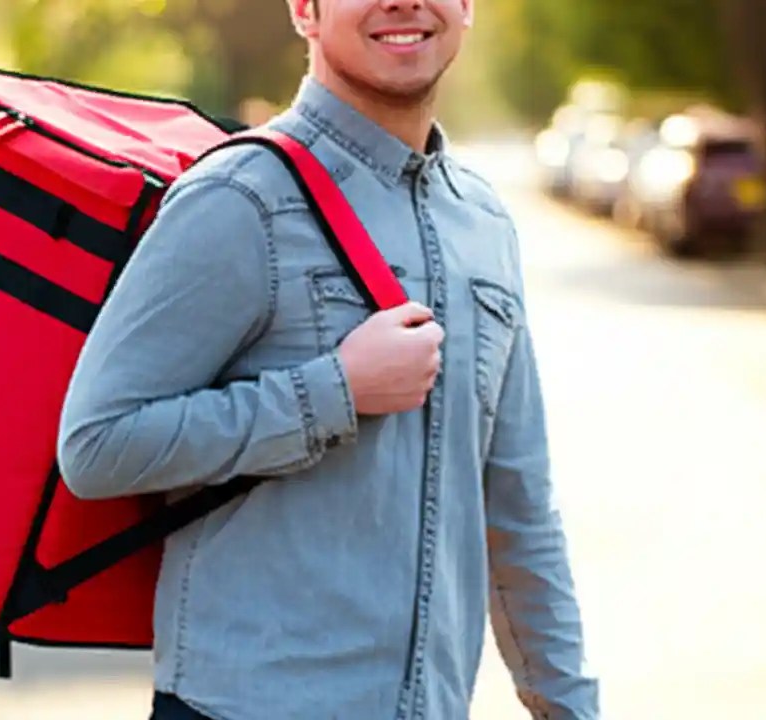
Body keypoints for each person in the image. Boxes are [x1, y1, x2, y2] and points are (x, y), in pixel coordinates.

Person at [57, 0, 600, 717]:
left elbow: (519, 506)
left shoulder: (483, 223)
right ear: (305, 10)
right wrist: (335, 390)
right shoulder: (239, 198)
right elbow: (96, 445)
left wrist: (569, 705)